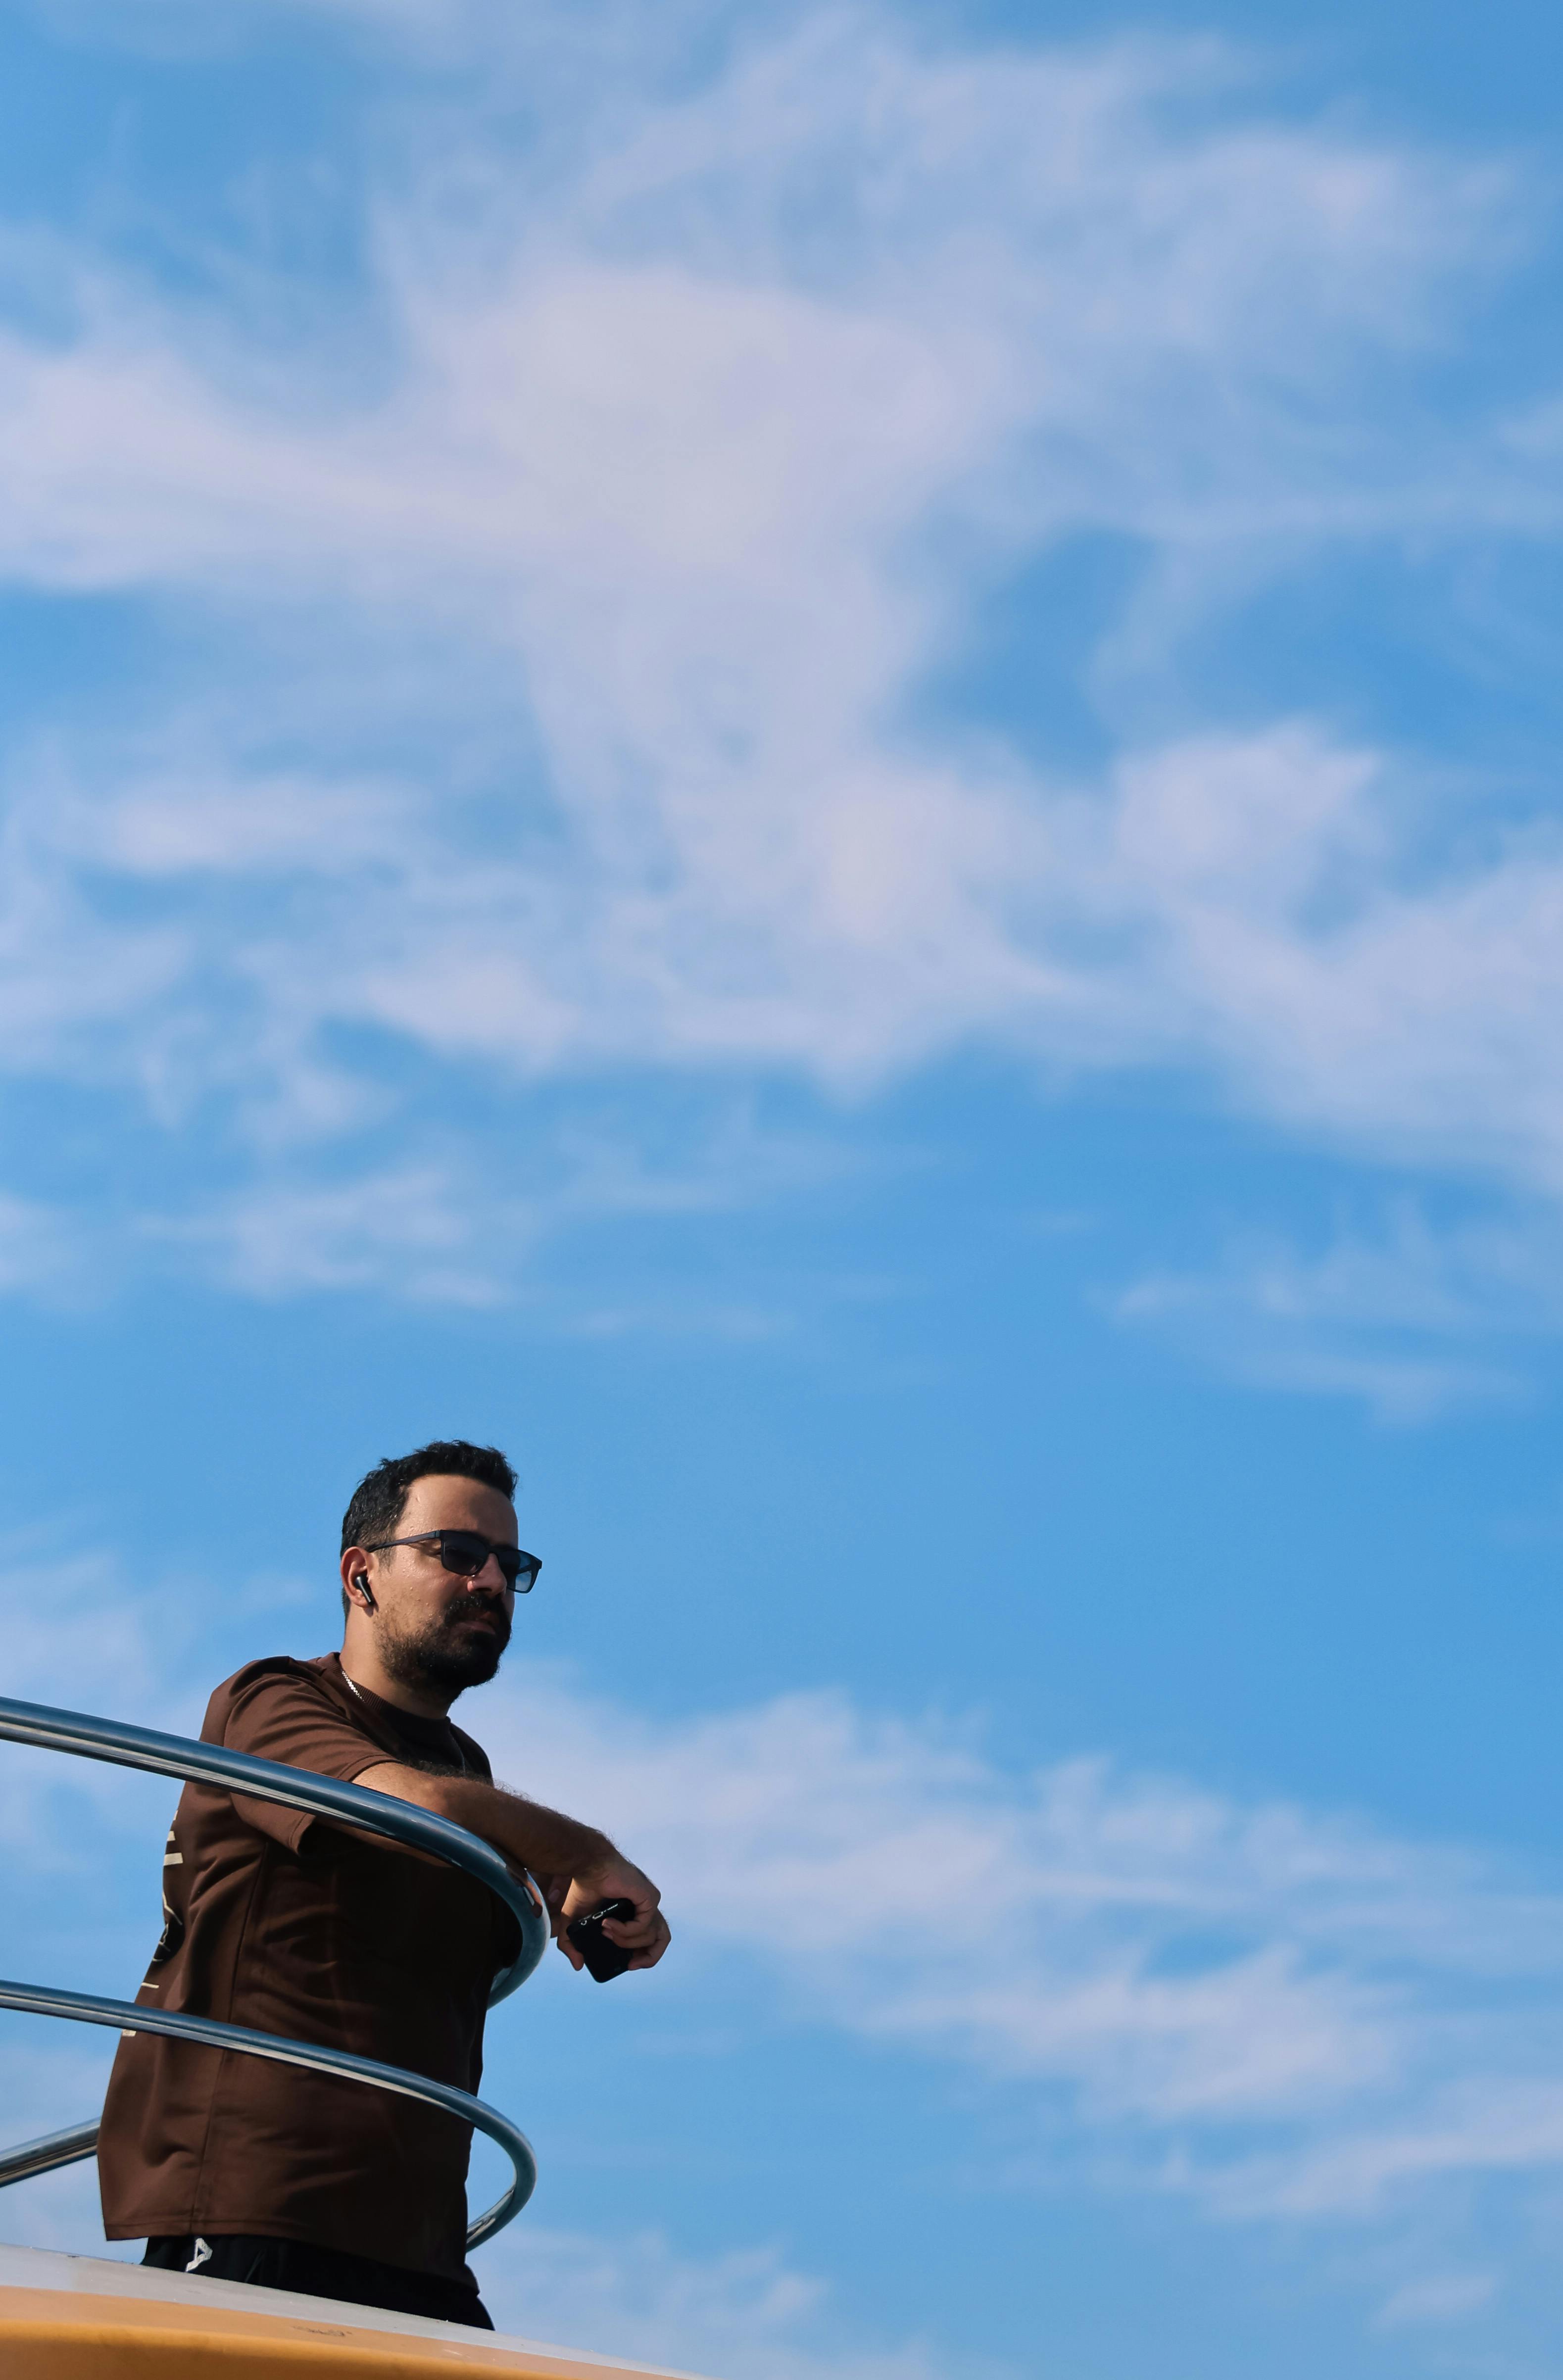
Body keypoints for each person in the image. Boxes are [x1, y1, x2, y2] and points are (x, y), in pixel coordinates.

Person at [97, 1439, 669, 2330]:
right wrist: (584, 1852)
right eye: (457, 1552)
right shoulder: (272, 1701)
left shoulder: (465, 1766)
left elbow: (444, 1806)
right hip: (260, 2209)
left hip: (418, 2243)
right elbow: (394, 1804)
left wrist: (566, 1897)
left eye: (509, 1565)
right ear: (361, 1574)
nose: (488, 1581)